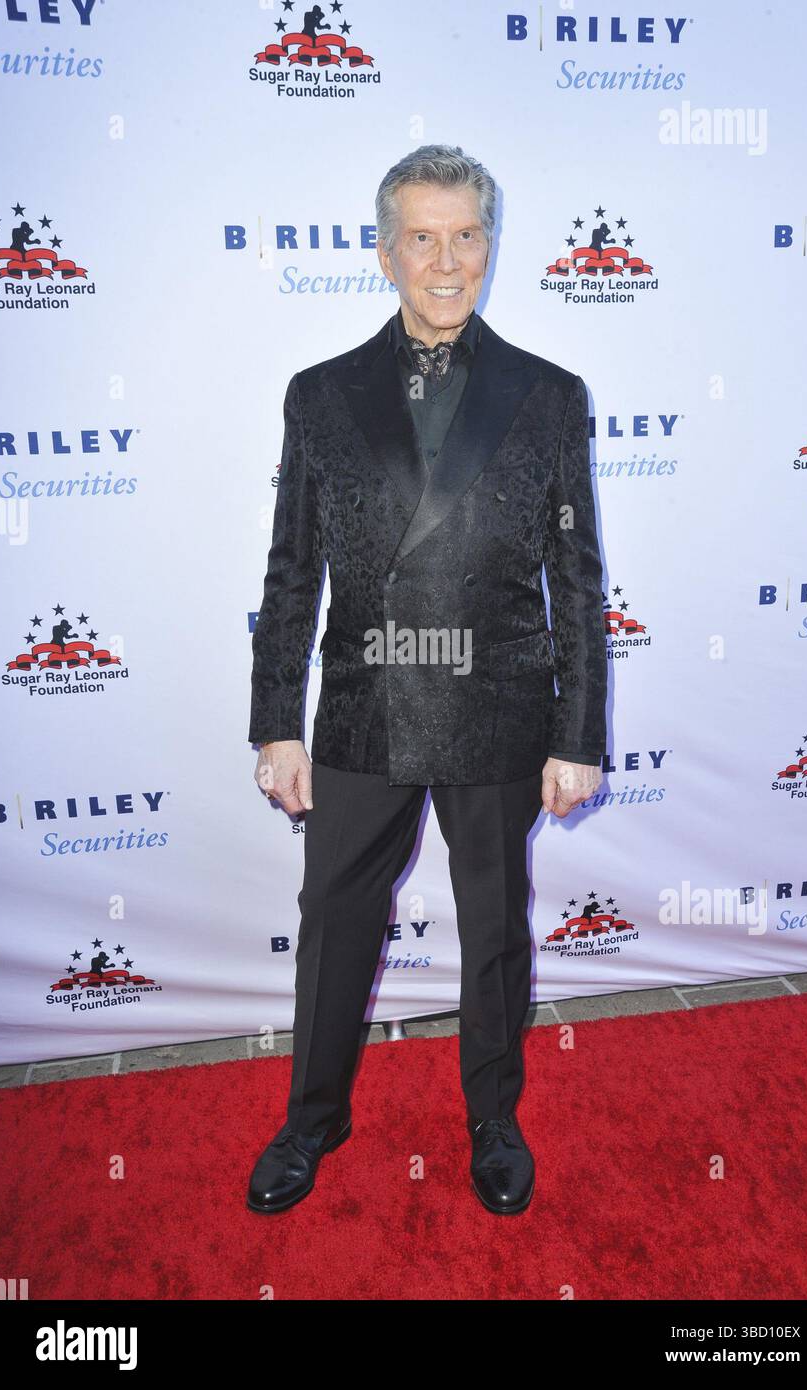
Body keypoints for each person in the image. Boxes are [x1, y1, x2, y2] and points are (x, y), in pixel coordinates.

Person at [246, 144, 607, 1216]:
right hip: (364, 704)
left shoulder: (549, 395)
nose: (445, 261)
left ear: (489, 244)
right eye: (422, 236)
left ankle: (493, 1116)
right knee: (335, 923)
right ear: (383, 249)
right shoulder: (320, 394)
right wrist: (277, 720)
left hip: (499, 703)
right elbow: (289, 567)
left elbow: (578, 583)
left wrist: (578, 734)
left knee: (494, 924)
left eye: (465, 235)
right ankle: (313, 1117)